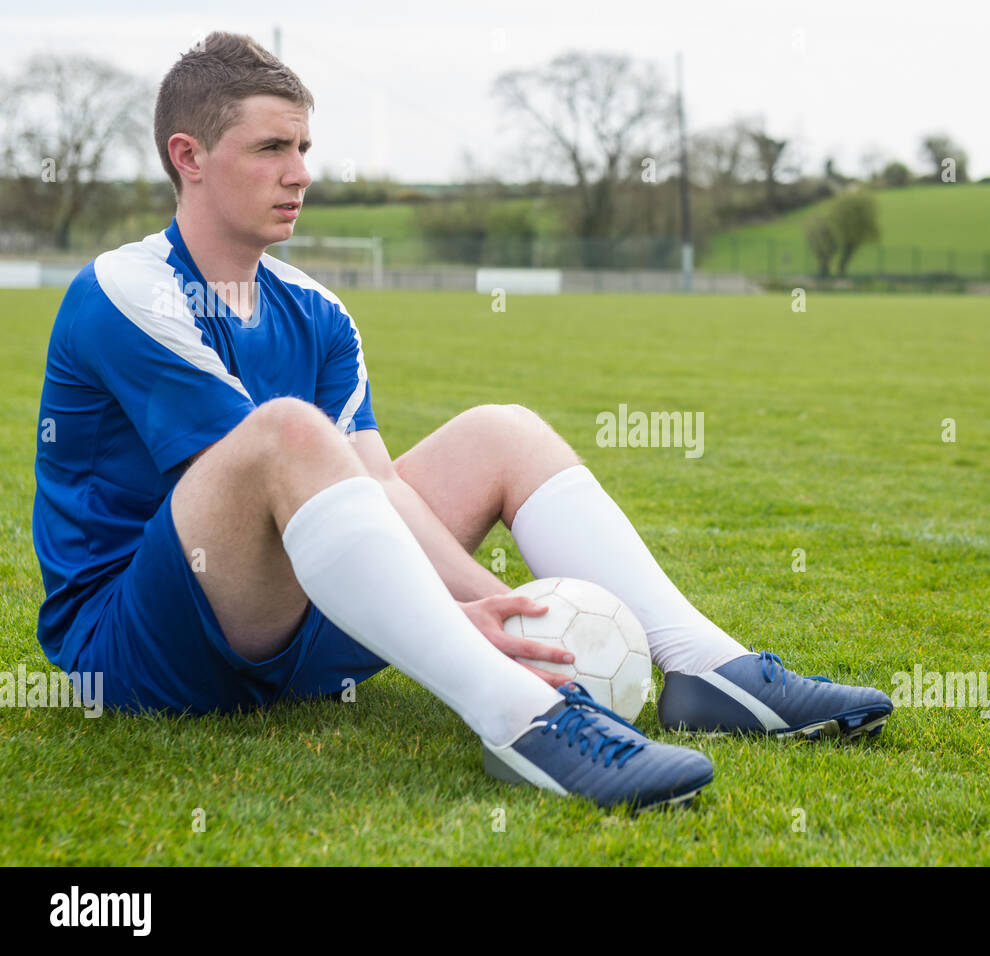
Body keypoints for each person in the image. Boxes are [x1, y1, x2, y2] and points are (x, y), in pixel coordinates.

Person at [31, 31, 892, 812]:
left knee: (500, 429)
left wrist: (496, 606)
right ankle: (524, 721)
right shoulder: (128, 291)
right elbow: (262, 473)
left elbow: (380, 483)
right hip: (146, 650)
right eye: (269, 148)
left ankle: (710, 670)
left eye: (303, 147)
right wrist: (467, 625)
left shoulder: (320, 313)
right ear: (188, 155)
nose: (299, 173)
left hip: (298, 625)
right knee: (290, 432)